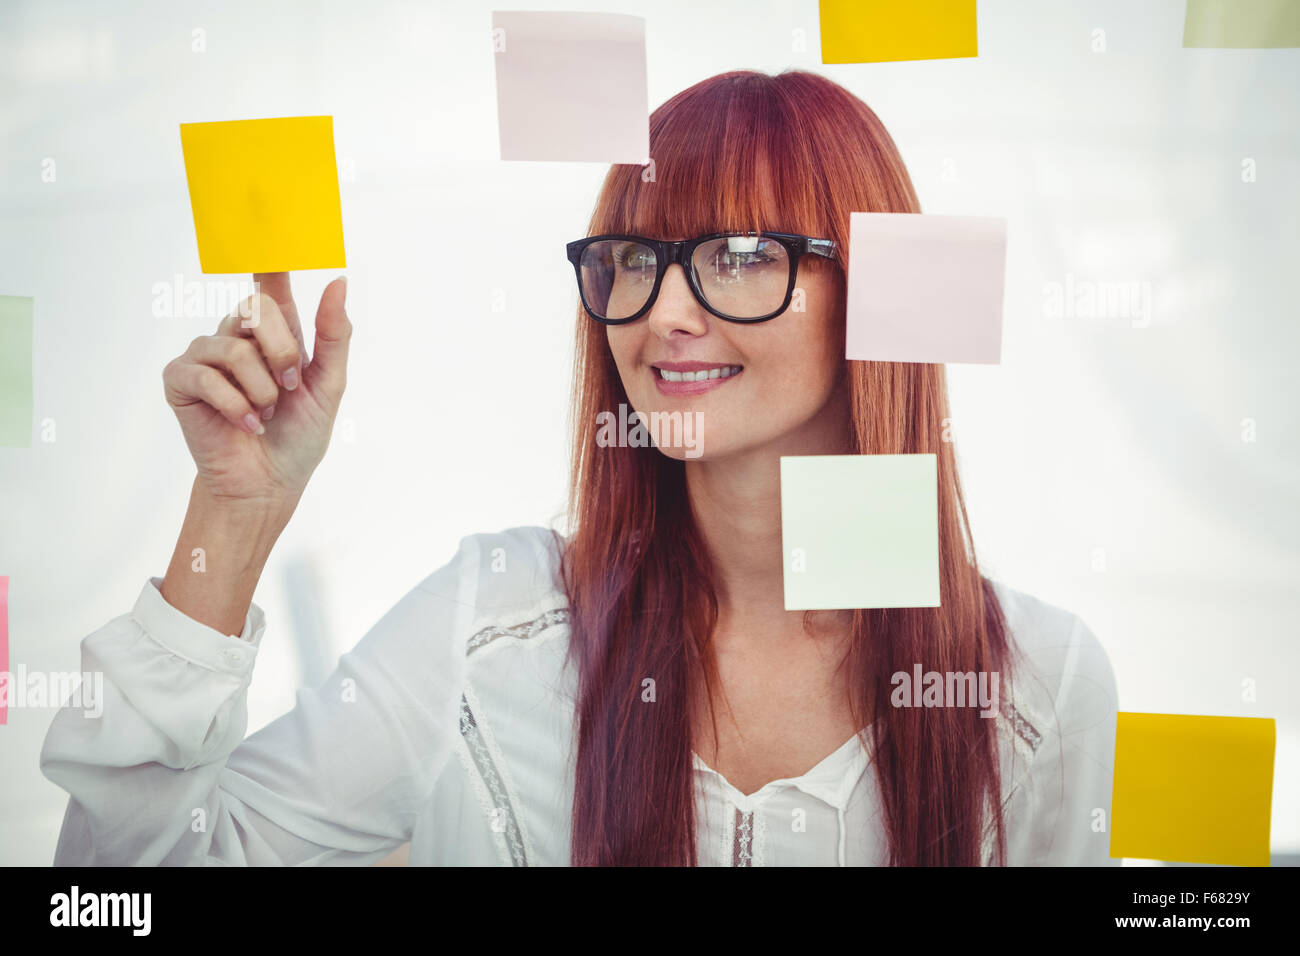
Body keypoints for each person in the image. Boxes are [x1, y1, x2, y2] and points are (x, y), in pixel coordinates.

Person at [40, 69, 1117, 866]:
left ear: (877, 289)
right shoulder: (489, 623)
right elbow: (121, 884)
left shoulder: (1039, 683)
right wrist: (234, 512)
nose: (667, 312)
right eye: (635, 259)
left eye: (740, 256)